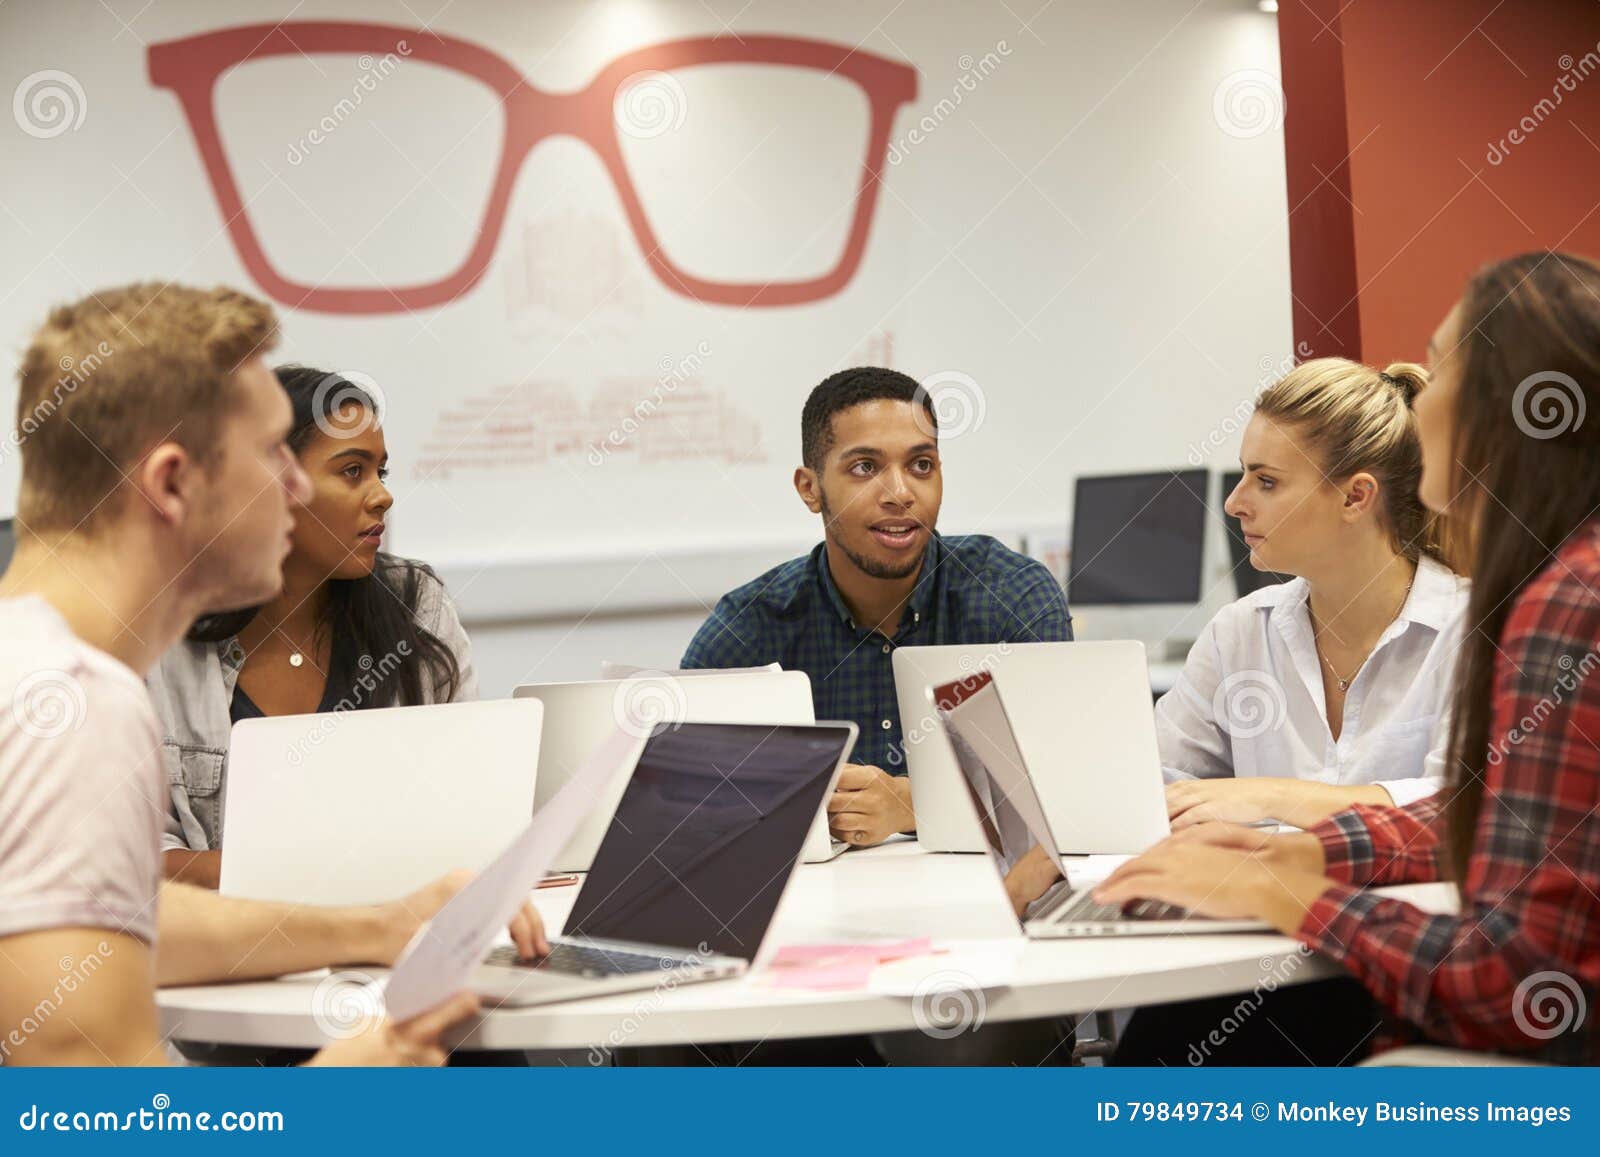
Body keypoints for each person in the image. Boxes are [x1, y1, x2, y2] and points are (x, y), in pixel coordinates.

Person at [0, 284, 544, 1066]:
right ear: (173, 482)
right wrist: (342, 1081)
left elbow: (121, 917)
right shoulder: (81, 705)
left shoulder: (32, 666)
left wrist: (377, 925)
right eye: (270, 455)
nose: (294, 489)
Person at [1096, 250, 1600, 1065]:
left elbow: (1515, 983)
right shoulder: (1564, 581)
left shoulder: (1567, 604)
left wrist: (1287, 889)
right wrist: (1305, 851)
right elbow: (1477, 819)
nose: (1417, 397)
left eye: (1440, 370)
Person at [681, 367, 1071, 847]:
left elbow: (1068, 788)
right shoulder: (749, 629)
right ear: (810, 488)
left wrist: (913, 802)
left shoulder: (1013, 597)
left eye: (921, 465)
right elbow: (680, 807)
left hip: (983, 906)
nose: (901, 493)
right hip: (813, 913)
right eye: (865, 467)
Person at [150, 366, 475, 888]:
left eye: (381, 473)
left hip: (398, 940)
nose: (381, 496)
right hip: (233, 959)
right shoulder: (158, 634)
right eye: (352, 471)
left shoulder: (418, 605)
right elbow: (133, 867)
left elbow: (472, 808)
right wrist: (324, 875)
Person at [1158, 357, 1468, 831]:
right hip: (1263, 903)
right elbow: (1157, 789)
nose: (1234, 503)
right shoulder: (1238, 634)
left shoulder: (1474, 628)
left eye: (1266, 481)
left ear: (1355, 497)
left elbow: (1466, 806)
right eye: (1244, 475)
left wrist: (1274, 797)